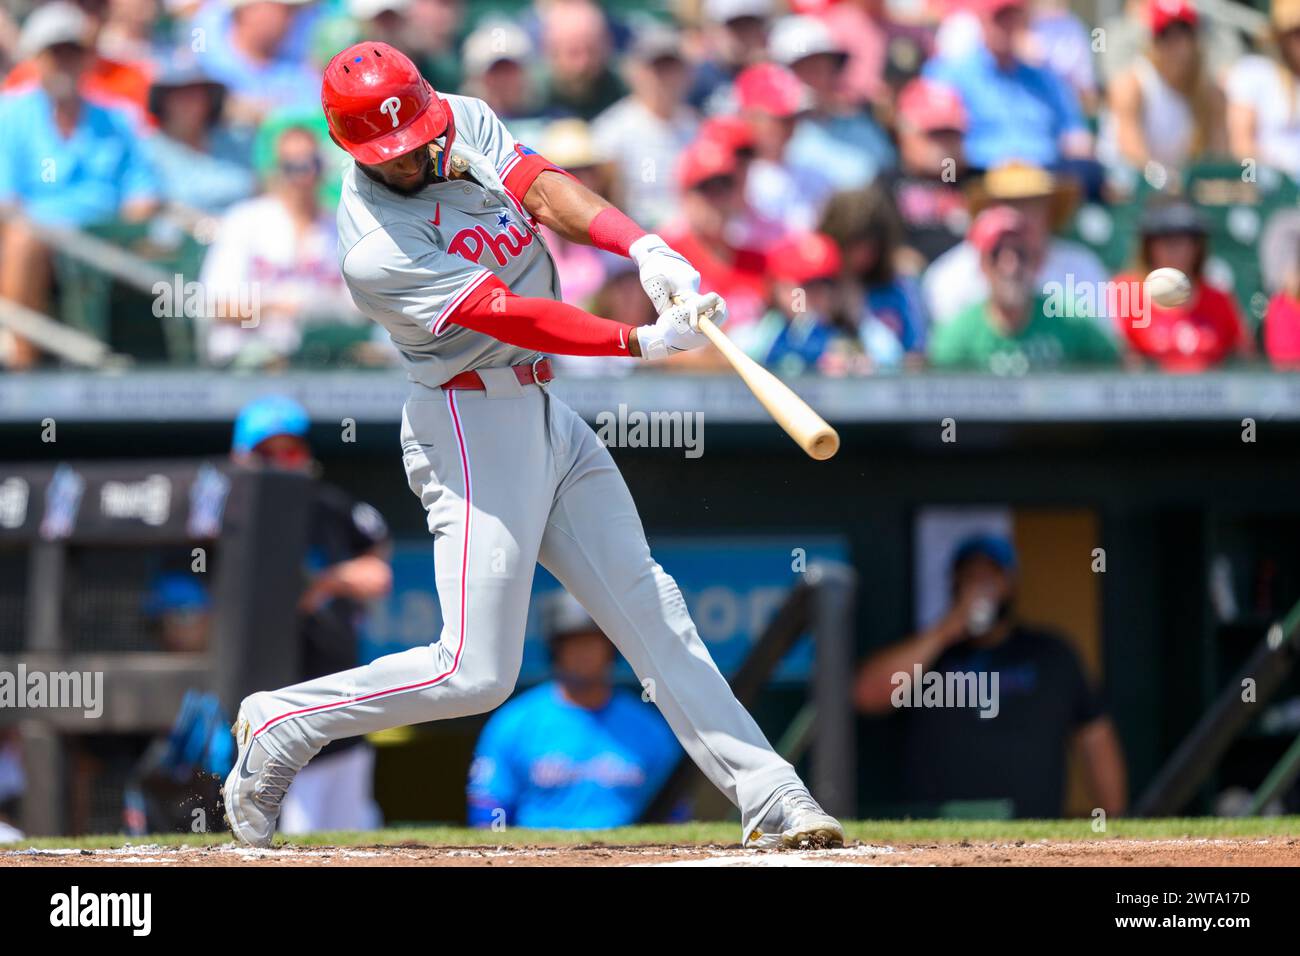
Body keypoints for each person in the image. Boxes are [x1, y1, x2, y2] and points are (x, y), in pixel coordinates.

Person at [222, 41, 842, 851]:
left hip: (543, 407)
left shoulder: (458, 119)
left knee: (654, 608)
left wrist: (642, 246)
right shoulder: (373, 247)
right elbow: (509, 313)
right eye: (394, 153)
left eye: (417, 139)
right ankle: (283, 723)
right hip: (469, 424)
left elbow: (542, 189)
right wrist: (636, 342)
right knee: (473, 674)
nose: (413, 158)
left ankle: (775, 796)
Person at [854, 533, 1127, 819]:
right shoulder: (926, 652)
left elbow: (1095, 737)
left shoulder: (1051, 653)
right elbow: (866, 695)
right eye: (970, 577)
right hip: (937, 835)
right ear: (954, 584)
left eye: (991, 576)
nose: (980, 587)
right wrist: (947, 628)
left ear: (1010, 583)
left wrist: (1114, 820)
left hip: (1032, 833)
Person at [230, 395, 393, 834]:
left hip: (337, 707)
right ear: (241, 457)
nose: (281, 461)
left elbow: (376, 571)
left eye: (291, 450)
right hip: (261, 714)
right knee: (289, 841)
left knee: (351, 840)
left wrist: (322, 583)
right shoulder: (226, 515)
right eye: (267, 452)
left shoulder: (328, 507)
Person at [0, 1, 160, 369]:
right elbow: (7, 200)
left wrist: (120, 229)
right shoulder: (10, 115)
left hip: (106, 239)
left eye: (73, 53)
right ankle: (21, 364)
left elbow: (142, 195)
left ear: (89, 59)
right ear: (35, 60)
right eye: (54, 54)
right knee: (23, 240)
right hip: (36, 239)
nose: (64, 64)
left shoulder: (119, 117)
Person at [466, 591, 682, 829]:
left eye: (593, 643)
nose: (584, 654)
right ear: (555, 650)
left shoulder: (648, 727)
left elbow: (675, 811)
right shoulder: (516, 721)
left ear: (611, 648)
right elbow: (489, 806)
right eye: (573, 644)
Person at [198, 124, 357, 367]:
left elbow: (359, 306)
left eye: (310, 164)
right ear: (276, 171)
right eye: (291, 166)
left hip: (323, 356)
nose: (303, 176)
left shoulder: (340, 227)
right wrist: (279, 309)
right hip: (245, 356)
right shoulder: (244, 219)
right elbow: (217, 305)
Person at [920, 161, 1110, 333]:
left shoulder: (1082, 268)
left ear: (1049, 212)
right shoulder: (950, 275)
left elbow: (1102, 345)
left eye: (1031, 205)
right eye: (1008, 204)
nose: (1019, 217)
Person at [928, 205, 1120, 372]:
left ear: (1036, 261)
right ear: (982, 266)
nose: (1010, 266)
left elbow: (1115, 369)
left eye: (1020, 253)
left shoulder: (1069, 320)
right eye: (997, 254)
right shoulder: (959, 335)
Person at [923, 0, 1092, 172]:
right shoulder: (950, 74)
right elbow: (934, 141)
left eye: (1012, 18)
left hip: (1045, 179)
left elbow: (1075, 135)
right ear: (981, 20)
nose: (1006, 26)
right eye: (999, 18)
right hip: (979, 177)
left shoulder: (1046, 79)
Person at [1111, 198, 1250, 372]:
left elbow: (1243, 358)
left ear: (1198, 246)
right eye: (1167, 240)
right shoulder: (1126, 293)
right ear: (1149, 245)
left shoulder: (1218, 299)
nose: (1178, 250)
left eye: (1186, 240)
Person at [1100, 0, 1227, 178]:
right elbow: (1134, 159)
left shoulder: (1210, 94)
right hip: (1124, 193)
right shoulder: (1132, 86)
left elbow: (1218, 163)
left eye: (1183, 32)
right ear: (1152, 41)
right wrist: (1176, 186)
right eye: (1165, 35)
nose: (1176, 45)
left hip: (1177, 197)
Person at [591, 24, 698, 231]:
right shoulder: (611, 132)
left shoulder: (696, 128)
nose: (665, 78)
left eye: (672, 68)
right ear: (635, 72)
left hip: (691, 241)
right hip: (636, 245)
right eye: (656, 68)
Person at [770, 15, 895, 192]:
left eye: (820, 66)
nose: (814, 77)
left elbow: (886, 173)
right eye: (803, 68)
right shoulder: (773, 136)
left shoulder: (861, 126)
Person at [659, 136, 770, 332]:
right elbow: (642, 343)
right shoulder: (665, 257)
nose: (717, 199)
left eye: (725, 186)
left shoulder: (757, 262)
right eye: (706, 189)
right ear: (685, 195)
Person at [819, 184, 928, 360]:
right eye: (853, 243)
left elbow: (915, 356)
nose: (862, 255)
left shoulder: (901, 288)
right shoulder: (814, 288)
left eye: (871, 245)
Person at [883, 77, 971, 268]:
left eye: (951, 133)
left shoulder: (978, 183)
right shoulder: (885, 186)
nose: (944, 144)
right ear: (903, 133)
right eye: (934, 134)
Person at [1226, 0, 1300, 182]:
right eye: (1297, 33)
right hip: (1271, 194)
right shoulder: (1254, 73)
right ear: (1282, 37)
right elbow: (1241, 146)